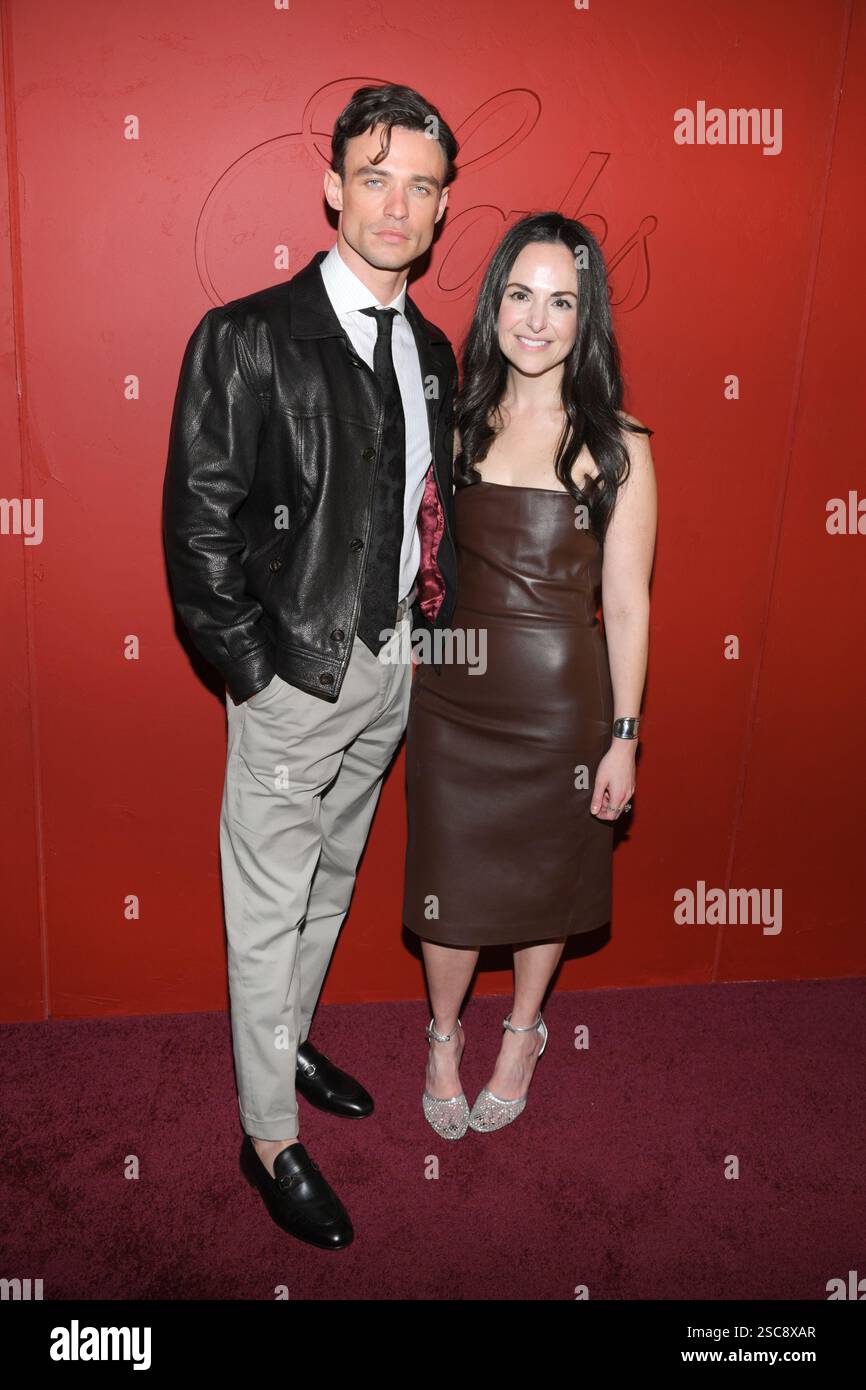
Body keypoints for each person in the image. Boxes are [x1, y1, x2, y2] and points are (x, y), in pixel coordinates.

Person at [162, 84, 460, 1247]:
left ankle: (287, 1038)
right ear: (333, 185)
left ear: (439, 210)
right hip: (291, 678)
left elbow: (434, 508)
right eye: (375, 176)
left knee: (335, 884)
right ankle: (268, 1132)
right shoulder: (244, 335)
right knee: (267, 905)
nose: (396, 204)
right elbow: (199, 526)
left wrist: (423, 645)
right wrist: (253, 671)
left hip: (388, 671)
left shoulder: (430, 351)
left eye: (421, 186)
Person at [402, 212, 657, 1138]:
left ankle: (520, 1031)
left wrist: (624, 738)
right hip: (452, 694)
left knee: (544, 880)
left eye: (563, 301)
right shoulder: (456, 422)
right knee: (449, 879)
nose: (537, 320)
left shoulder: (619, 443)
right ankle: (440, 1036)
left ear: (586, 319)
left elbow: (626, 604)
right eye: (521, 295)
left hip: (560, 707)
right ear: (495, 303)